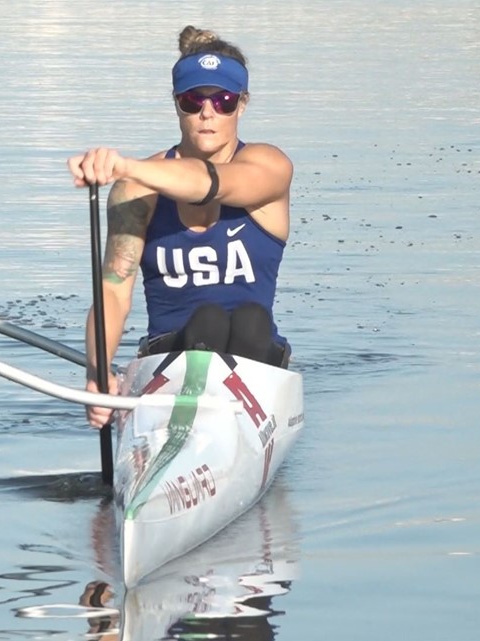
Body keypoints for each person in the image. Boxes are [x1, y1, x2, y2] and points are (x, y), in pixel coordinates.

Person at [67, 25, 294, 428]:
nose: (208, 113)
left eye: (222, 101)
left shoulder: (270, 167)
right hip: (169, 361)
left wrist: (124, 165)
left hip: (255, 361)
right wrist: (97, 373)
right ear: (177, 105)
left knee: (248, 322)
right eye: (193, 100)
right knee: (206, 321)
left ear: (242, 105)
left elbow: (207, 183)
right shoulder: (135, 192)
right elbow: (113, 294)